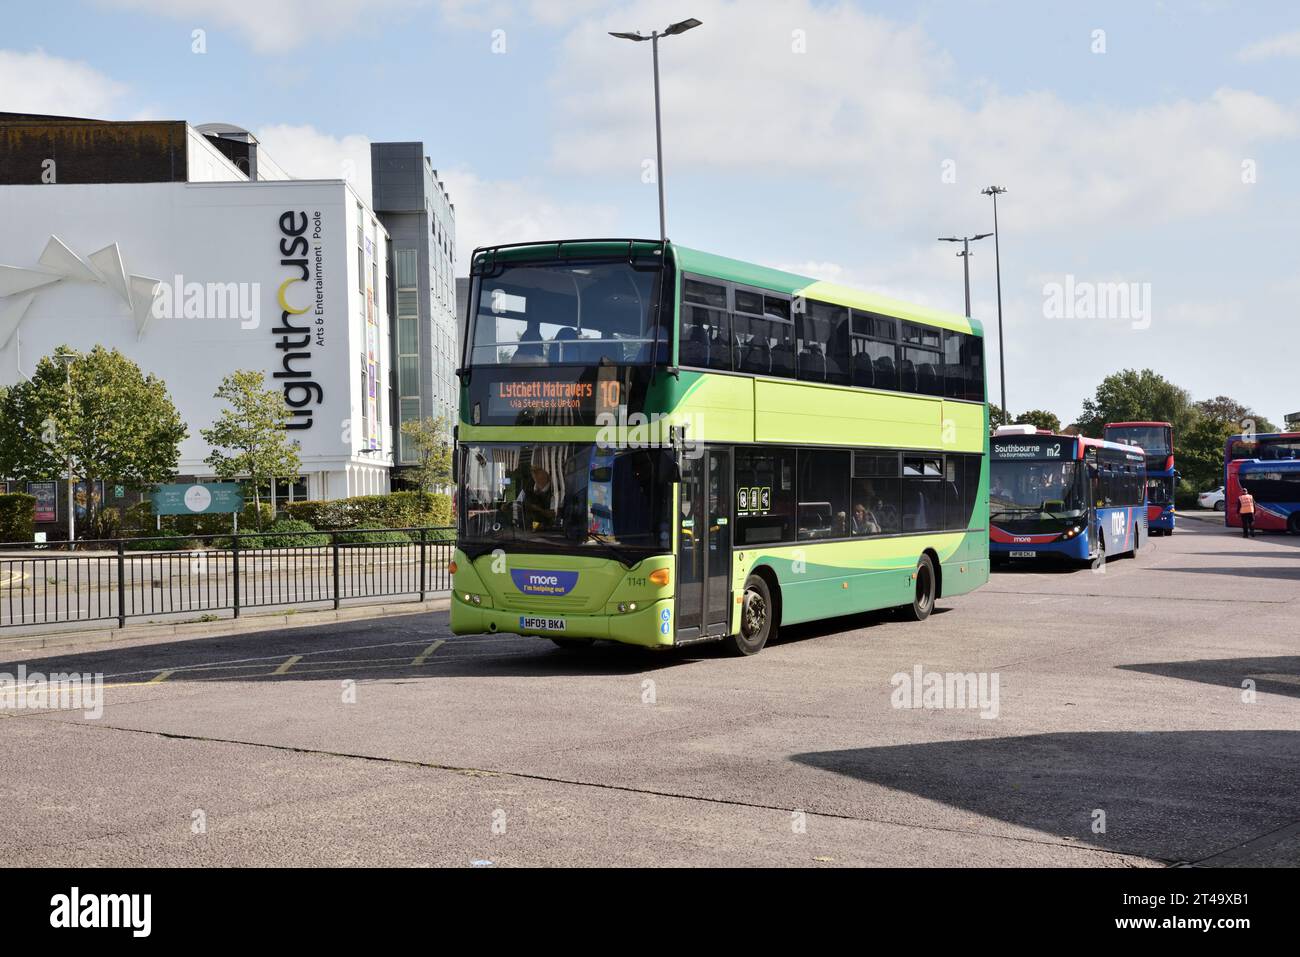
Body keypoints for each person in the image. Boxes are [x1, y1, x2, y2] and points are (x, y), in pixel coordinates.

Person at [520, 465, 557, 529]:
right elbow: (518, 502)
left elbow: (553, 514)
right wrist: (508, 505)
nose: (534, 474)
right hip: (526, 529)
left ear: (547, 472)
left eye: (538, 471)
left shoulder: (555, 490)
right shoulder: (527, 486)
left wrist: (539, 509)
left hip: (547, 530)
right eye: (532, 471)